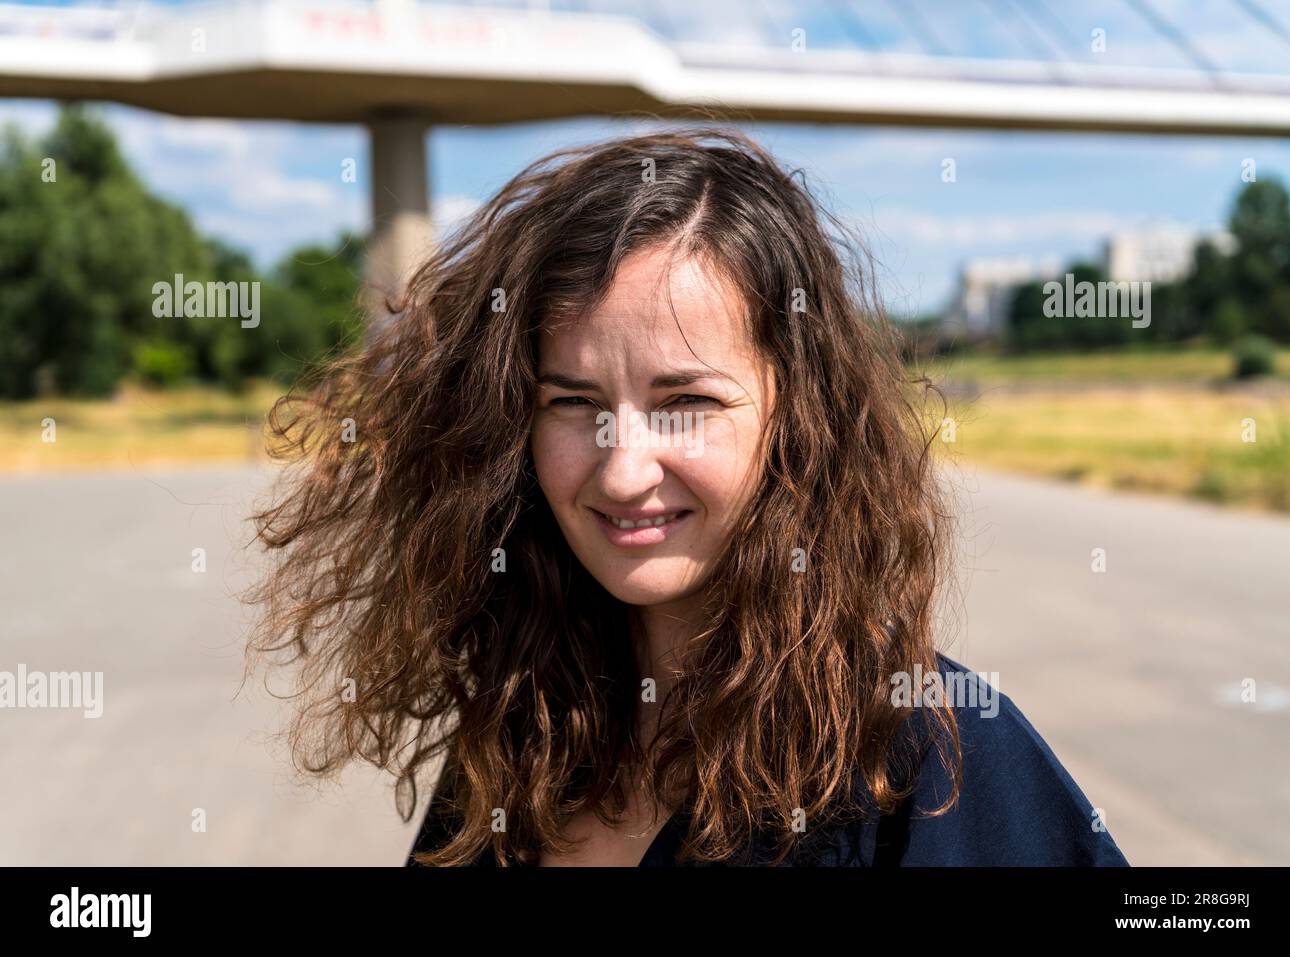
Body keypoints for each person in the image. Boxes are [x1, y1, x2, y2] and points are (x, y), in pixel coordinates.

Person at [244, 125, 1129, 868]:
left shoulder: (932, 758)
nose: (623, 470)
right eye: (573, 403)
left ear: (798, 416)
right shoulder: (524, 739)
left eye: (687, 404)